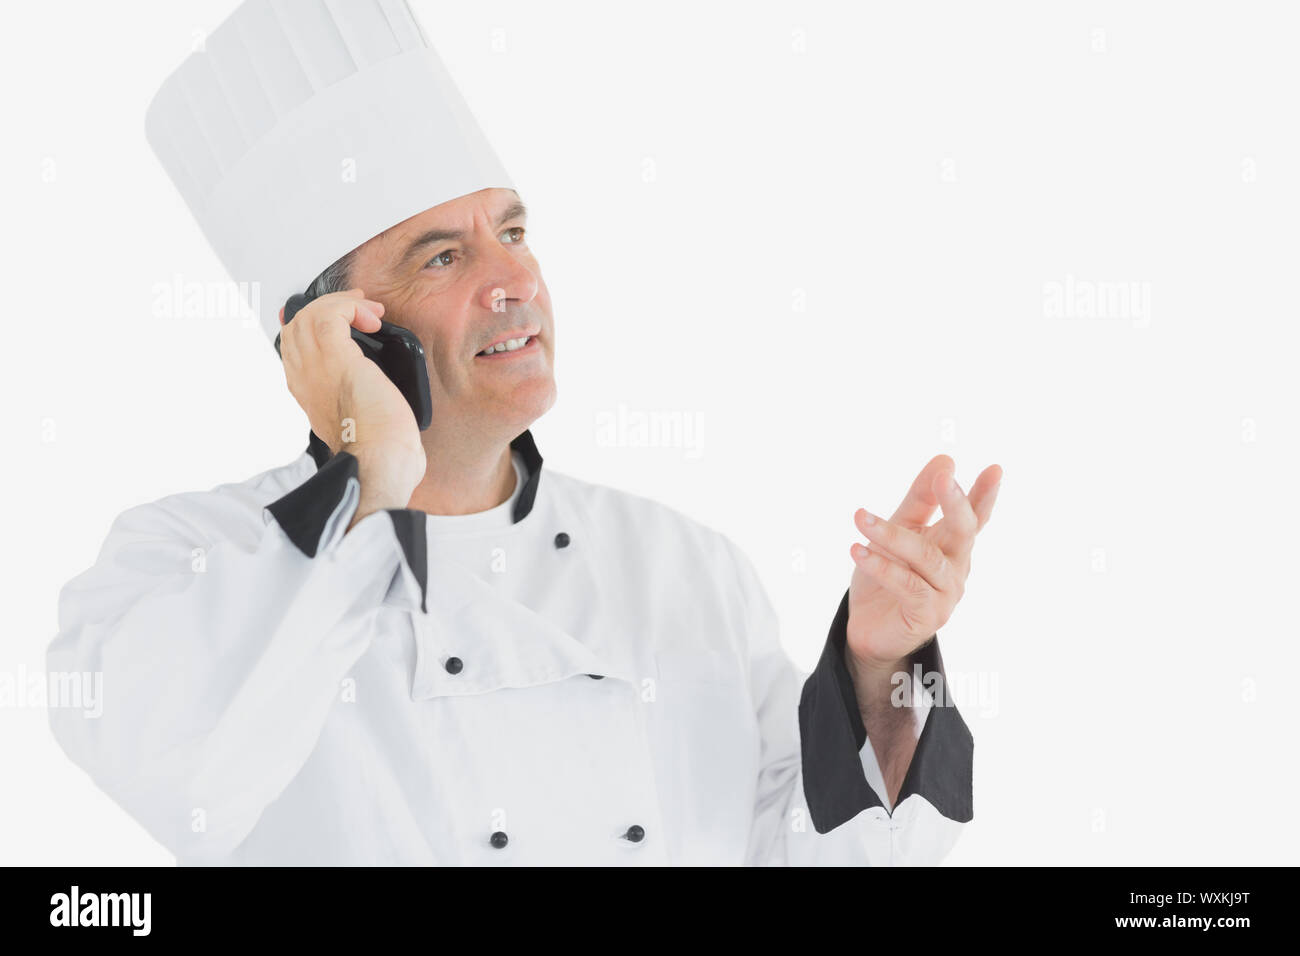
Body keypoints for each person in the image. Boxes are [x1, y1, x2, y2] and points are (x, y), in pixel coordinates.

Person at [46, 0, 1001, 866]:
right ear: (333, 335)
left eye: (514, 232)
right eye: (445, 257)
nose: (513, 282)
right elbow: (182, 772)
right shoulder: (193, 561)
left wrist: (879, 671)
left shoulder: (682, 566)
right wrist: (367, 463)